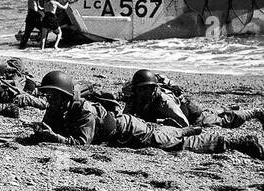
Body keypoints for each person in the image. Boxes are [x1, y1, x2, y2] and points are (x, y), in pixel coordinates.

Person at [27, 70, 262, 157]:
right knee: (172, 134)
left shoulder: (84, 111)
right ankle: (186, 131)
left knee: (174, 141)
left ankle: (239, 142)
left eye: (54, 95)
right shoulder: (57, 108)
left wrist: (52, 138)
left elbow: (81, 143)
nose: (50, 99)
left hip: (131, 130)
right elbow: (47, 128)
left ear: (66, 97)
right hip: (128, 128)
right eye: (49, 95)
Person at [122, 69, 206, 128]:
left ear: (154, 88)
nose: (144, 91)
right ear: (135, 89)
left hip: (190, 115)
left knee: (209, 119)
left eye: (148, 88)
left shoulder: (164, 101)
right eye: (140, 89)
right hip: (162, 116)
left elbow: (183, 123)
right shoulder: (134, 98)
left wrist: (158, 122)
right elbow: (124, 118)